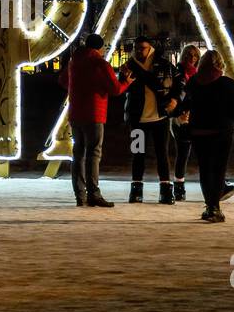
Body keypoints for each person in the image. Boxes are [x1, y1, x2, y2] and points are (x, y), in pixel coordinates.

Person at [58, 32, 128, 207]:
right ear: (100, 47)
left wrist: (77, 88)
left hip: (76, 114)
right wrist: (127, 81)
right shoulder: (100, 63)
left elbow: (62, 81)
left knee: (78, 154)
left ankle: (79, 195)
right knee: (94, 154)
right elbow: (115, 89)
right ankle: (94, 194)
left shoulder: (74, 62)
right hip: (95, 113)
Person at [179, 49, 234, 223]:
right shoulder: (228, 84)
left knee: (205, 169)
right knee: (218, 169)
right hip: (222, 132)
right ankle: (215, 207)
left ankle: (210, 206)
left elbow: (185, 104)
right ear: (220, 64)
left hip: (199, 132)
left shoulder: (193, 82)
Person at [121, 36, 183, 205]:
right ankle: (136, 190)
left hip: (159, 118)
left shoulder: (163, 64)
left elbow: (179, 82)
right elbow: (120, 86)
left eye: (143, 47)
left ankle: (164, 190)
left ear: (150, 49)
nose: (139, 51)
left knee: (162, 153)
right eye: (137, 48)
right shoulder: (129, 66)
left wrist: (175, 99)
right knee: (137, 154)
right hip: (137, 120)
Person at [171, 44, 201, 201]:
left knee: (190, 152)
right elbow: (176, 95)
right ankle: (179, 187)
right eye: (189, 55)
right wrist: (178, 114)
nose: (192, 58)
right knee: (183, 152)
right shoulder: (178, 73)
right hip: (180, 118)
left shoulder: (196, 75)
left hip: (192, 117)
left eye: (195, 56)